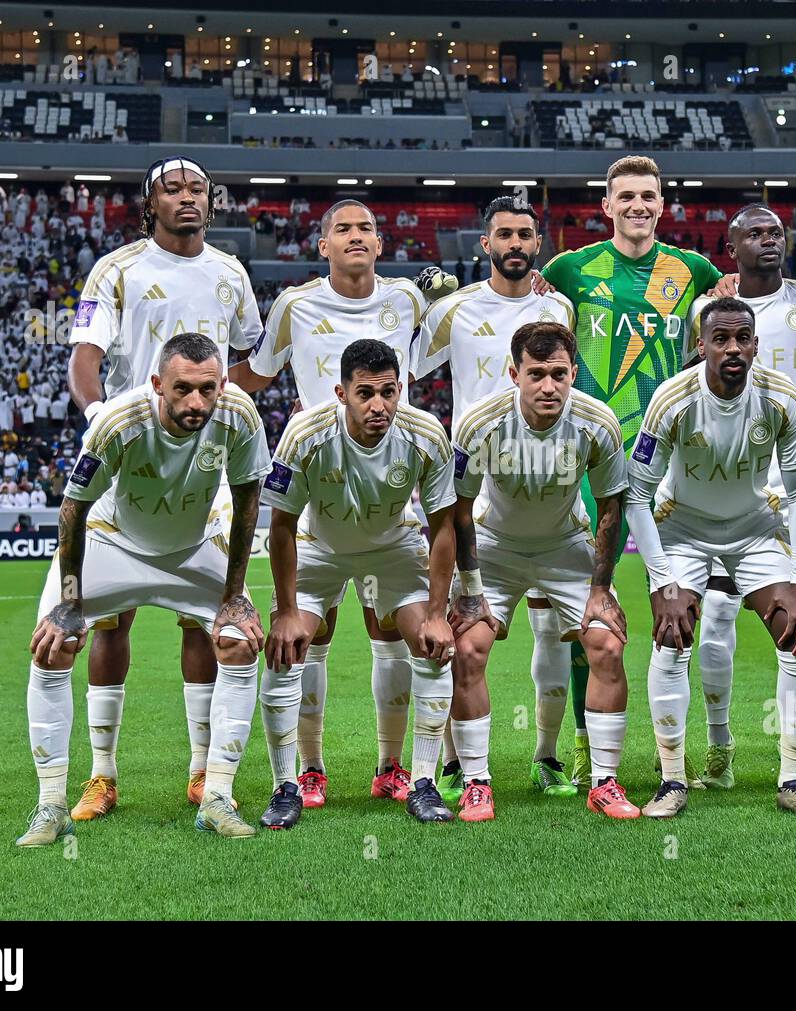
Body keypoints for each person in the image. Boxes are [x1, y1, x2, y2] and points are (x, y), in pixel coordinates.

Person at [231, 200, 456, 809]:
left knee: (395, 636)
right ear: (323, 244)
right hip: (319, 486)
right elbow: (255, 372)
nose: (355, 237)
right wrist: (195, 386)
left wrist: (518, 287)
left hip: (390, 497)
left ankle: (397, 770)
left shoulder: (409, 299)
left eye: (365, 229)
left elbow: (456, 342)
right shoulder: (294, 305)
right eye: (342, 229)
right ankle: (307, 771)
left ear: (380, 243)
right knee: (308, 638)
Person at [61, 156, 263, 820]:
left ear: (212, 199)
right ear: (149, 203)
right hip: (128, 454)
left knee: (205, 618)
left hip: (204, 462)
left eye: (197, 188)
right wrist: (99, 419)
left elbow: (249, 363)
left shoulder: (230, 273)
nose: (186, 198)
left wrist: (233, 419)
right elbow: (85, 359)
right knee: (107, 619)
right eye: (171, 189)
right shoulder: (116, 269)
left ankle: (204, 769)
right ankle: (103, 773)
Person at [16, 333, 272, 845]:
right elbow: (73, 510)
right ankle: (50, 806)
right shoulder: (118, 421)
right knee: (53, 646)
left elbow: (247, 501)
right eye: (183, 389)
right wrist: (70, 602)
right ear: (157, 384)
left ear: (222, 384)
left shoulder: (239, 415)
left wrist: (234, 594)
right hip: (114, 542)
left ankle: (217, 795)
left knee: (240, 642)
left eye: (208, 389)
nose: (196, 402)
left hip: (193, 547)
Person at [538, 154, 736, 787]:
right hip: (591, 456)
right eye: (626, 196)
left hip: (664, 456)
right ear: (607, 205)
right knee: (585, 606)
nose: (638, 206)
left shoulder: (692, 269)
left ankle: (671, 753)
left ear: (662, 203)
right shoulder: (569, 269)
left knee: (673, 597)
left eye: (648, 195)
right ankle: (581, 742)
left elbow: (721, 310)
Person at [627, 298, 796, 817]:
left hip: (755, 529)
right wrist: (663, 580)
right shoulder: (672, 399)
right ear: (702, 345)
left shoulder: (781, 398)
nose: (732, 348)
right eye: (721, 339)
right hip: (683, 528)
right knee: (672, 638)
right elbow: (635, 497)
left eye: (743, 339)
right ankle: (672, 779)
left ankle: (793, 778)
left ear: (756, 345)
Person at [413, 195, 578, 801]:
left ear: (538, 244)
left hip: (547, 479)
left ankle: (547, 755)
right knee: (464, 628)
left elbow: (565, 370)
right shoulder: (456, 309)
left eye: (525, 235)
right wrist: (429, 307)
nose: (515, 244)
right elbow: (414, 368)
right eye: (503, 234)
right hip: (472, 489)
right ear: (485, 243)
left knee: (552, 629)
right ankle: (458, 765)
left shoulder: (556, 305)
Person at [258, 339, 458, 826]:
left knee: (432, 646)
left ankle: (415, 779)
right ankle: (294, 780)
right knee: (287, 649)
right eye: (365, 393)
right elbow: (281, 527)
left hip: (392, 549)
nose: (379, 406)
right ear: (340, 392)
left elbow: (445, 526)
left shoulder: (425, 434)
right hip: (319, 547)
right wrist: (285, 612)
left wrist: (436, 613)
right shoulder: (305, 433)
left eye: (389, 392)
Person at [449, 322, 635, 821]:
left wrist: (600, 589)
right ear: (514, 374)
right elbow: (459, 509)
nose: (548, 386)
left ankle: (604, 782)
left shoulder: (598, 422)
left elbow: (612, 507)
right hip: (495, 546)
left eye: (559, 374)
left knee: (606, 643)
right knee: (467, 645)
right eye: (536, 374)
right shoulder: (479, 423)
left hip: (564, 544)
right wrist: (469, 589)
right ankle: (475, 783)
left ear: (574, 373)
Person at [684, 204, 796, 791]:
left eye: (776, 233)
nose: (768, 241)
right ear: (733, 245)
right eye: (755, 233)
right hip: (728, 481)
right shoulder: (707, 309)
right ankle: (719, 747)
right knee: (717, 616)